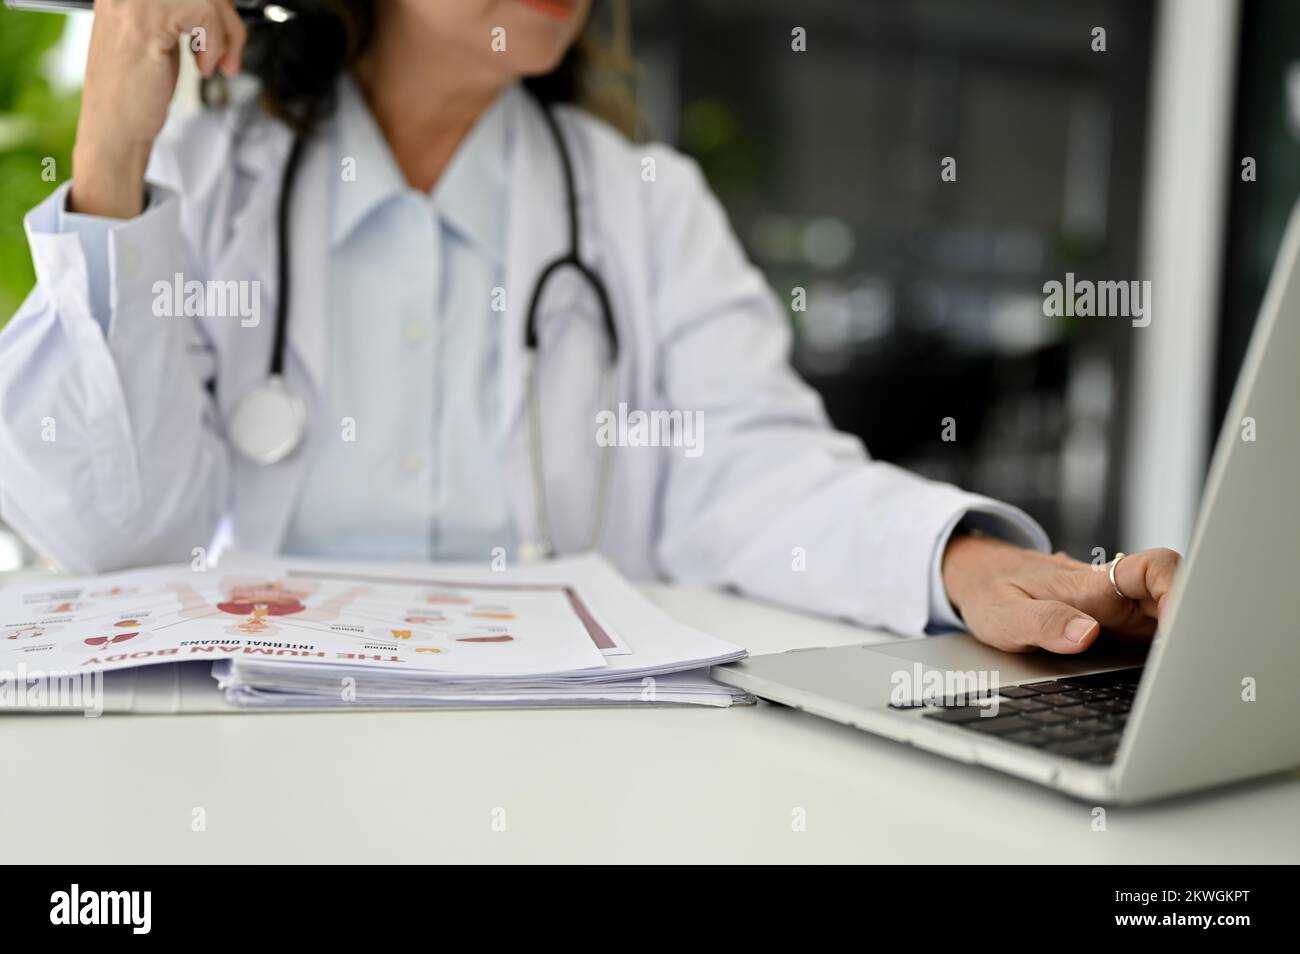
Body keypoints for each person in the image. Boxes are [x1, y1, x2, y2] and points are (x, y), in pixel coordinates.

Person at [0, 0, 1180, 654]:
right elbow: (108, 538)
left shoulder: (639, 205)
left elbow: (752, 473)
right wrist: (109, 154)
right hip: (254, 767)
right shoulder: (205, 182)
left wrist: (954, 558)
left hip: (567, 766)